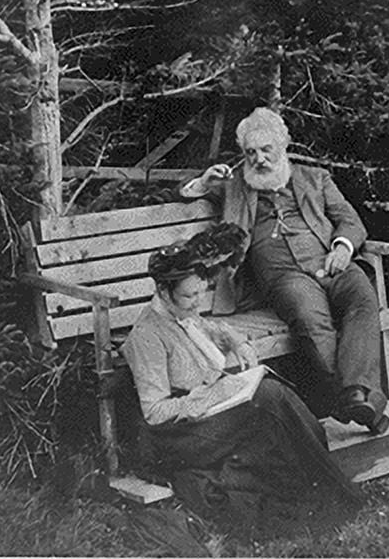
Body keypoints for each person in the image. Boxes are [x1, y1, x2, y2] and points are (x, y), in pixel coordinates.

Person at [121, 224, 360, 532]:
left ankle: (327, 490)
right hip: (177, 435)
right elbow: (154, 414)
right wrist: (216, 393)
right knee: (270, 403)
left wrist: (237, 341)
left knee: (274, 392)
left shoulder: (182, 314)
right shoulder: (148, 336)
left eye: (201, 292)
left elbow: (208, 327)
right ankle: (331, 495)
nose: (197, 302)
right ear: (163, 292)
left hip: (207, 415)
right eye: (189, 295)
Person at [180, 107, 389, 434]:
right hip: (282, 276)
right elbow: (186, 194)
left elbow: (349, 220)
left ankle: (356, 399)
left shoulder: (315, 178)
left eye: (266, 150)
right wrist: (203, 182)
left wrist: (342, 247)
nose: (259, 159)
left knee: (363, 299)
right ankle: (360, 398)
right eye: (251, 152)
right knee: (310, 316)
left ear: (284, 146)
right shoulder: (237, 186)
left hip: (330, 262)